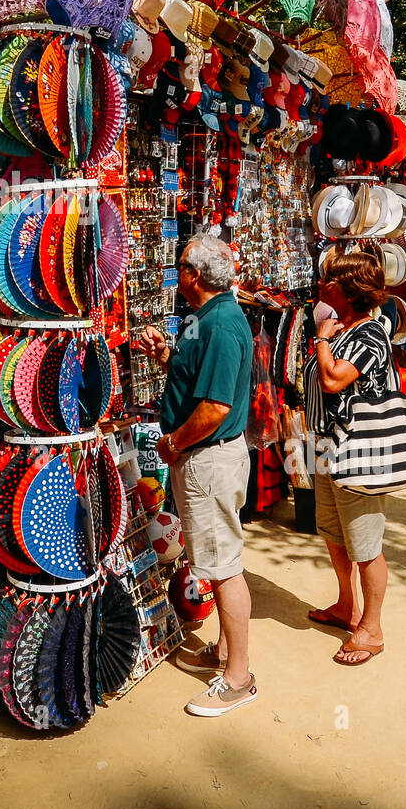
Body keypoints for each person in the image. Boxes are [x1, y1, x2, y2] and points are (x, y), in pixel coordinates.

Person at [137, 233, 257, 716]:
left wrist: (173, 443)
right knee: (218, 560)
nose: (176, 269)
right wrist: (164, 356)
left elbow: (214, 407)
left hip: (209, 457)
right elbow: (194, 380)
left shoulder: (222, 324)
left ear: (195, 275)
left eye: (180, 263)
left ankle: (239, 678)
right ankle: (228, 655)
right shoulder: (204, 318)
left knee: (224, 567)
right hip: (204, 457)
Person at [303, 252, 397, 665]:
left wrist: (321, 338)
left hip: (359, 450)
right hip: (327, 445)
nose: (322, 286)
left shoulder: (368, 335)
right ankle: (347, 607)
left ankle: (372, 629)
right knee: (334, 531)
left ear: (346, 289)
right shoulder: (345, 329)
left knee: (364, 542)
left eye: (329, 281)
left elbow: (332, 379)